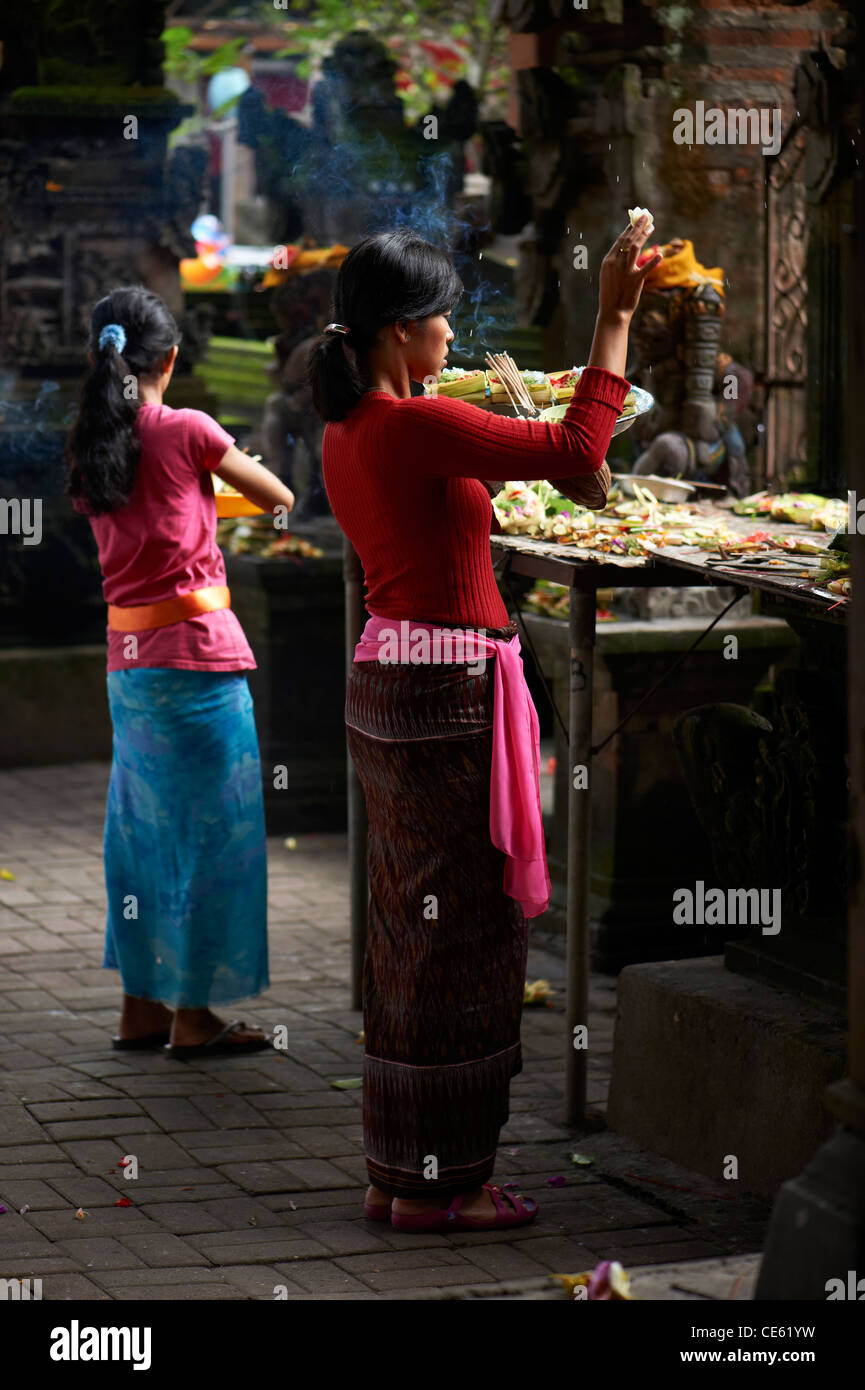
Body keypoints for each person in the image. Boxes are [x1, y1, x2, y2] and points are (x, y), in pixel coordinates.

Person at [311, 218, 660, 1231]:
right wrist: (611, 317)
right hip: (445, 696)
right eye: (443, 318)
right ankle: (448, 1182)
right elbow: (577, 447)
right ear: (396, 330)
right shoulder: (412, 426)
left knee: (406, 932)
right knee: (460, 938)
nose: (453, 336)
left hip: (391, 682)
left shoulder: (353, 430)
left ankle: (399, 1172)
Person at [66, 286, 296, 1057]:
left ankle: (140, 1007)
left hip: (127, 670)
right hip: (196, 663)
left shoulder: (92, 443)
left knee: (140, 831)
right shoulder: (187, 428)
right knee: (211, 835)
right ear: (169, 357)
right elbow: (277, 497)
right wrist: (210, 485)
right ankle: (194, 1016)